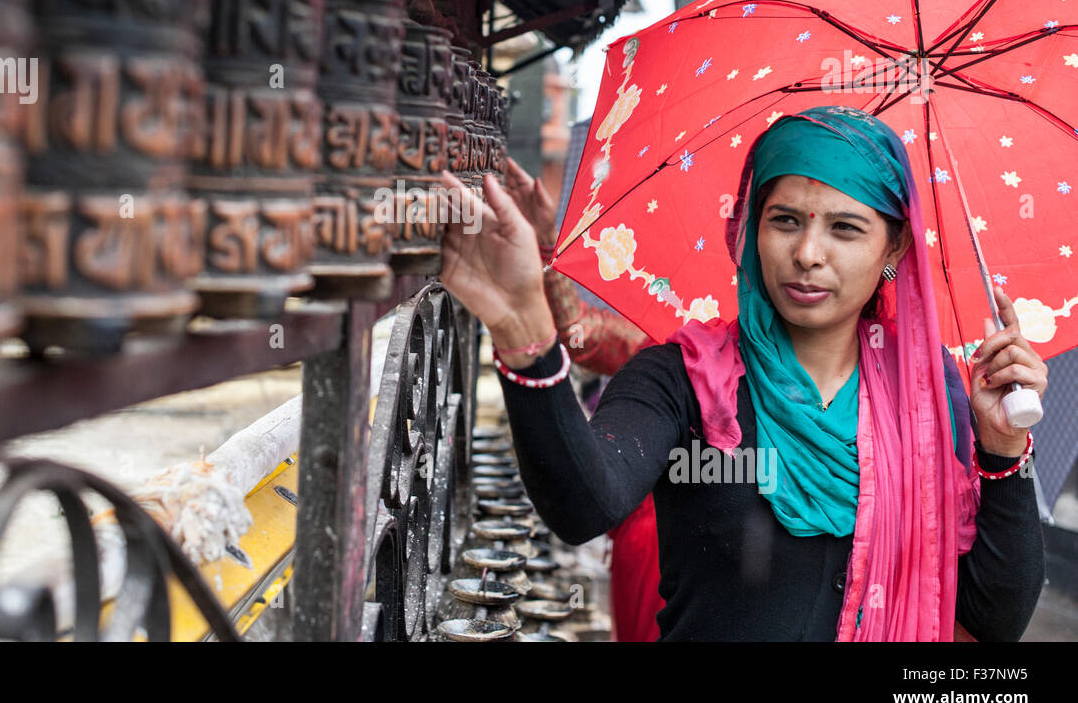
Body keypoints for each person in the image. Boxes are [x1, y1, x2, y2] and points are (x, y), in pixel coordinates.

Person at [441, 106, 1046, 641]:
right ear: (750, 230)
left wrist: (1002, 449)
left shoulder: (930, 395)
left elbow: (993, 620)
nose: (808, 253)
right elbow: (582, 505)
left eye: (844, 227)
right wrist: (524, 332)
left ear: (893, 250)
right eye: (784, 220)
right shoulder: (681, 380)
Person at [502, 157, 663, 642]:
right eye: (782, 221)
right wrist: (545, 247)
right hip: (660, 547)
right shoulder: (695, 337)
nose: (807, 253)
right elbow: (579, 335)